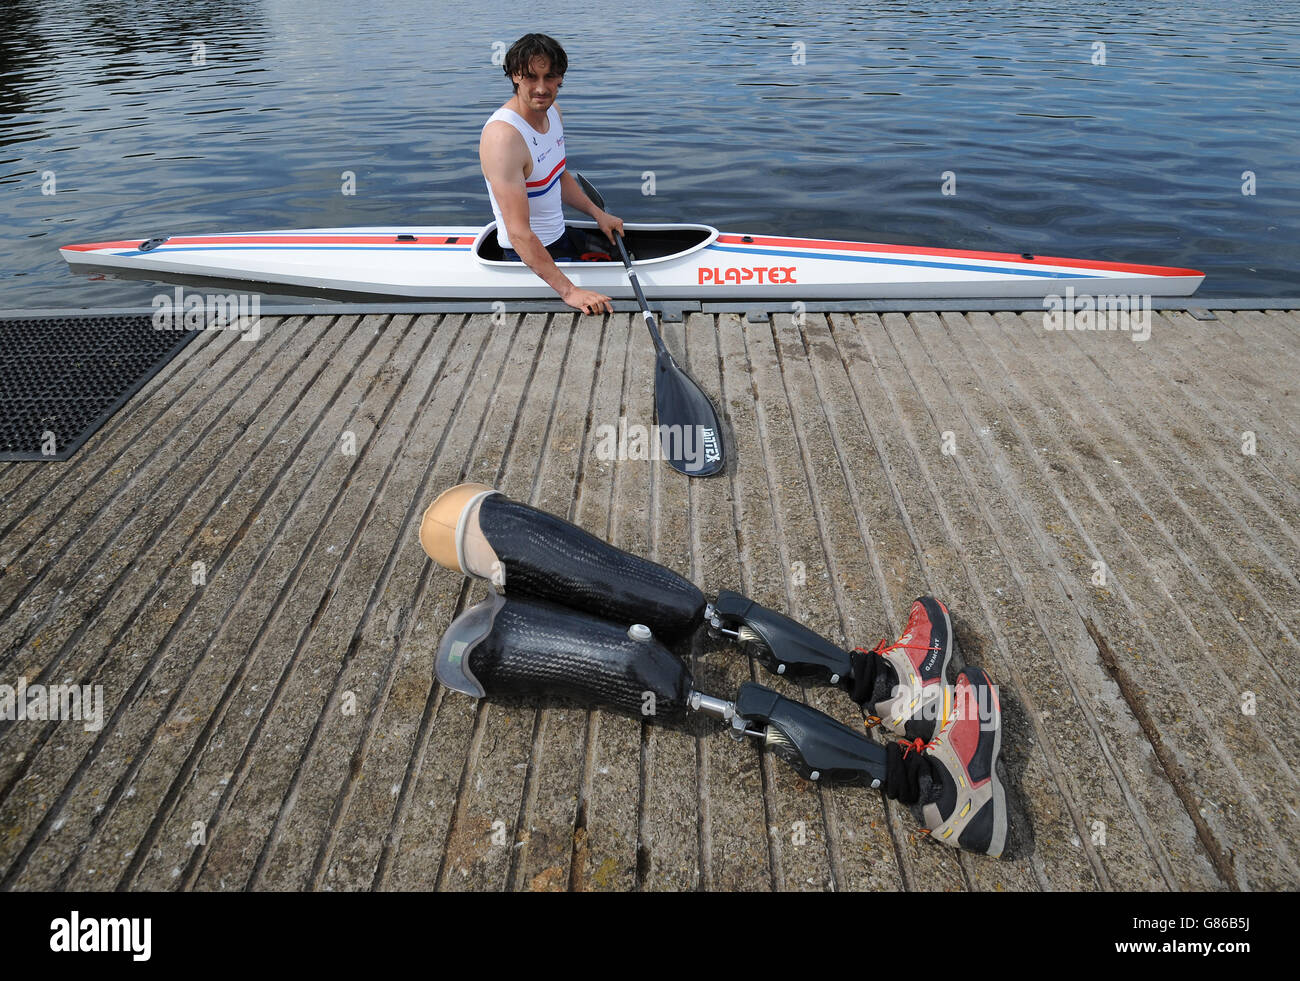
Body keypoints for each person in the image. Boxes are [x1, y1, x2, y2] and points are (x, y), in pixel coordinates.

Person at [480, 34, 623, 315]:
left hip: (559, 238)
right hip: (523, 256)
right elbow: (519, 234)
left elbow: (557, 176)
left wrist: (598, 214)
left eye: (550, 77)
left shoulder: (553, 112)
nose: (542, 88)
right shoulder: (503, 137)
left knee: (622, 247)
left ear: (561, 78)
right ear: (514, 76)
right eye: (531, 77)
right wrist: (570, 292)